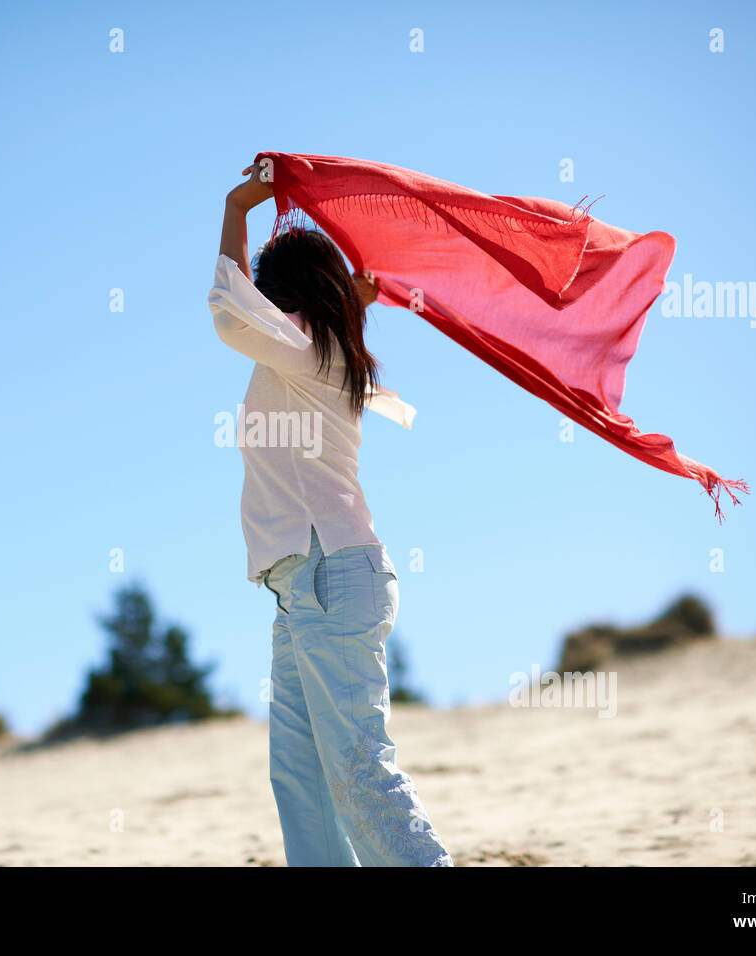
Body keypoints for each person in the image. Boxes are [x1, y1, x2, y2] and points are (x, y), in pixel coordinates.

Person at [208, 159, 453, 866]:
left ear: (287, 298)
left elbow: (229, 309)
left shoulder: (306, 347)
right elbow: (280, 323)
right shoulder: (319, 350)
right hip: (305, 591)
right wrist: (353, 295)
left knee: (357, 774)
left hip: (328, 578)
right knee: (303, 780)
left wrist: (237, 204)